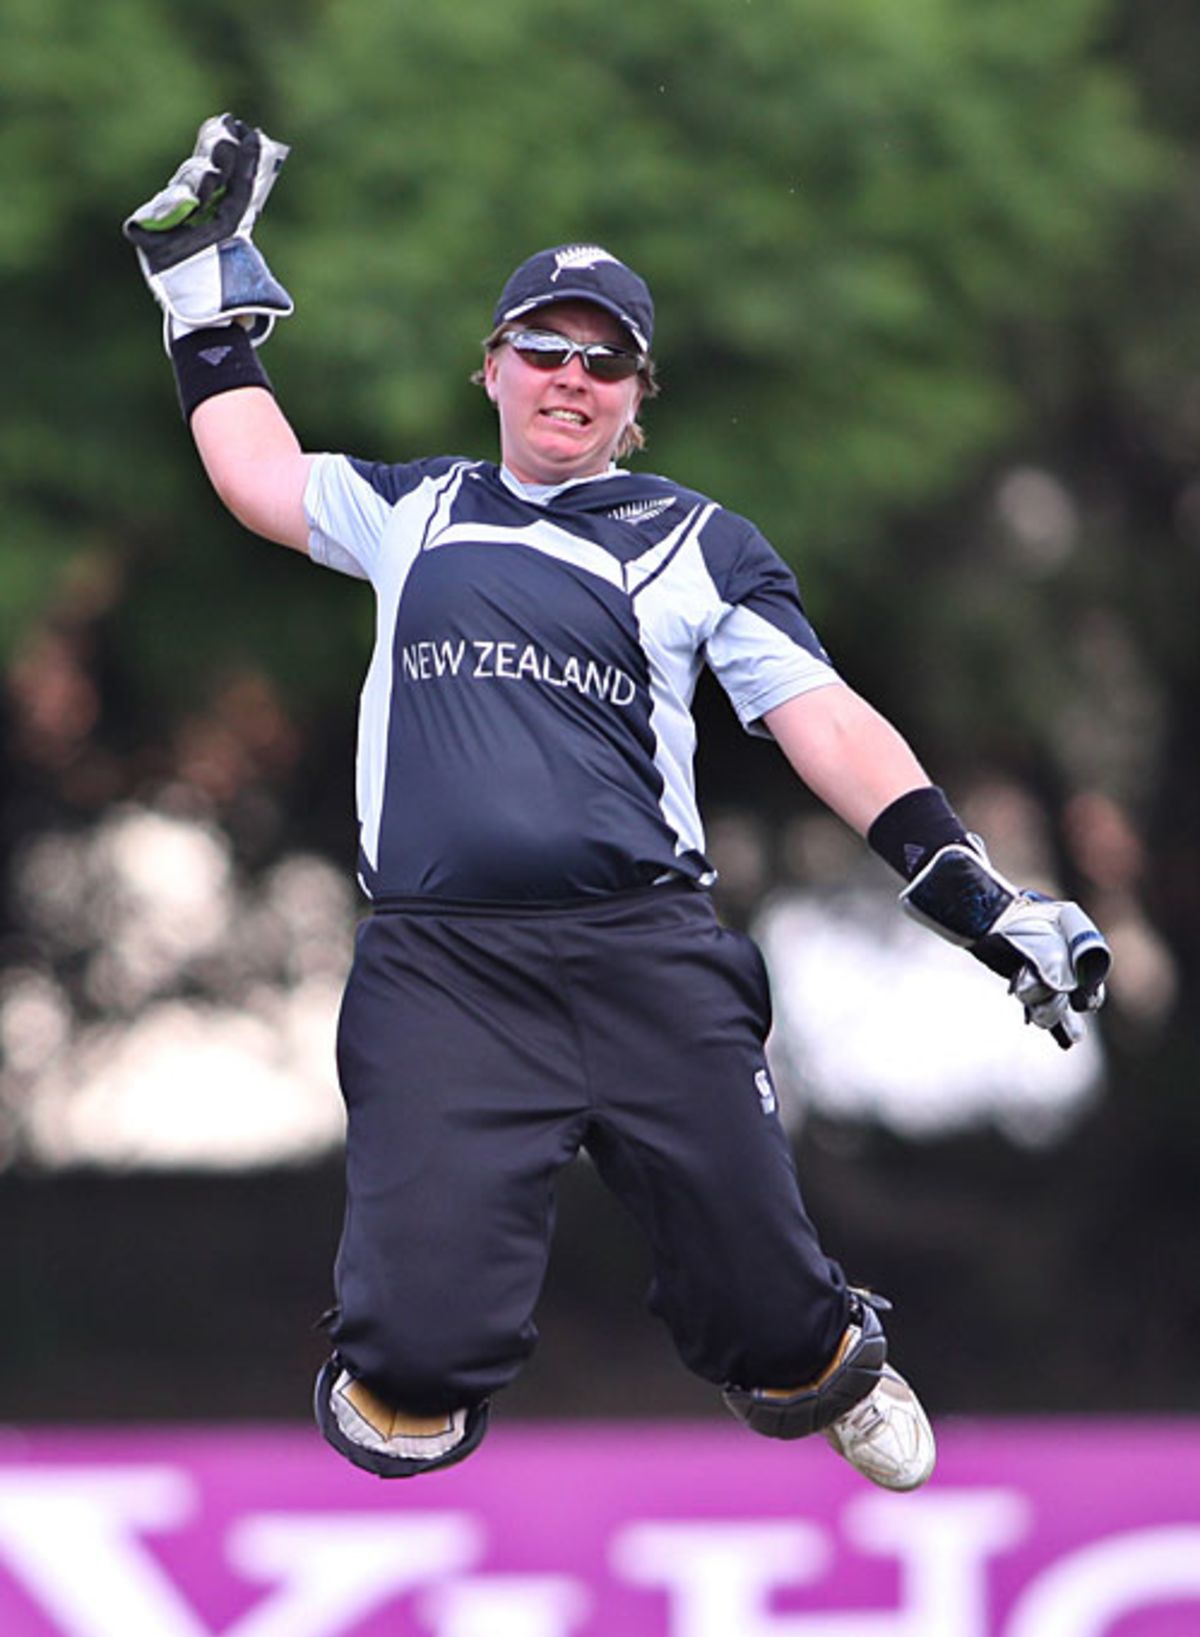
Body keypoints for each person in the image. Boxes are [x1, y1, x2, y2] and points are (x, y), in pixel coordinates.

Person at [124, 116, 1110, 1492]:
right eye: (545, 348)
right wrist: (196, 290)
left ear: (638, 399)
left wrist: (967, 881)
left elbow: (820, 719)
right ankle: (422, 1363)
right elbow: (256, 474)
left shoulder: (698, 544)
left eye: (605, 361)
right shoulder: (413, 511)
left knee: (776, 1312)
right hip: (444, 968)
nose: (571, 379)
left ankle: (822, 1363)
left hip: (642, 952)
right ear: (491, 369)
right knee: (406, 1363)